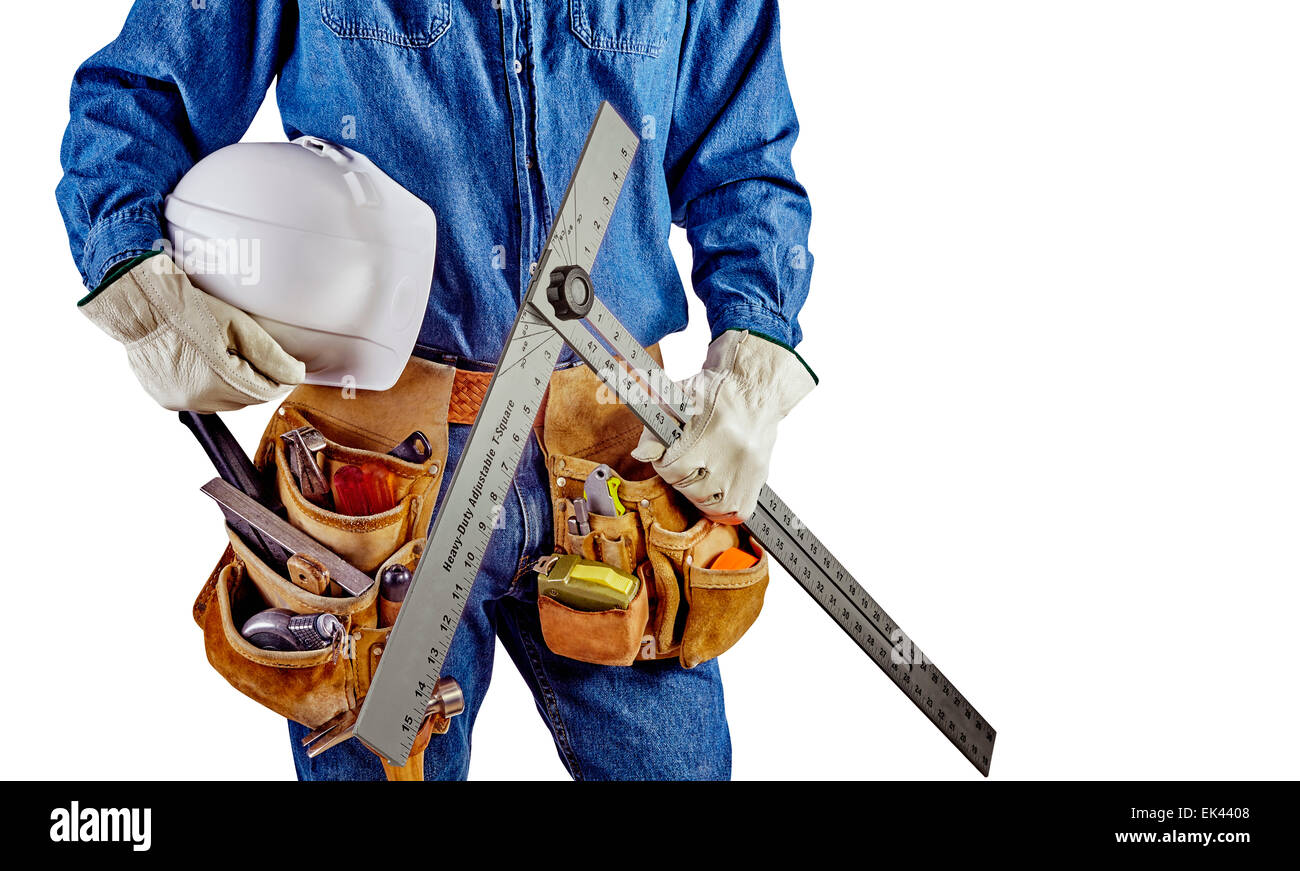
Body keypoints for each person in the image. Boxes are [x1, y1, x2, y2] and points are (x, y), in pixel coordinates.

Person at [57, 0, 816, 780]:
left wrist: (754, 348)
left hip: (616, 456)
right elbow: (136, 100)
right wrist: (142, 283)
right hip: (380, 475)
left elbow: (744, 155)